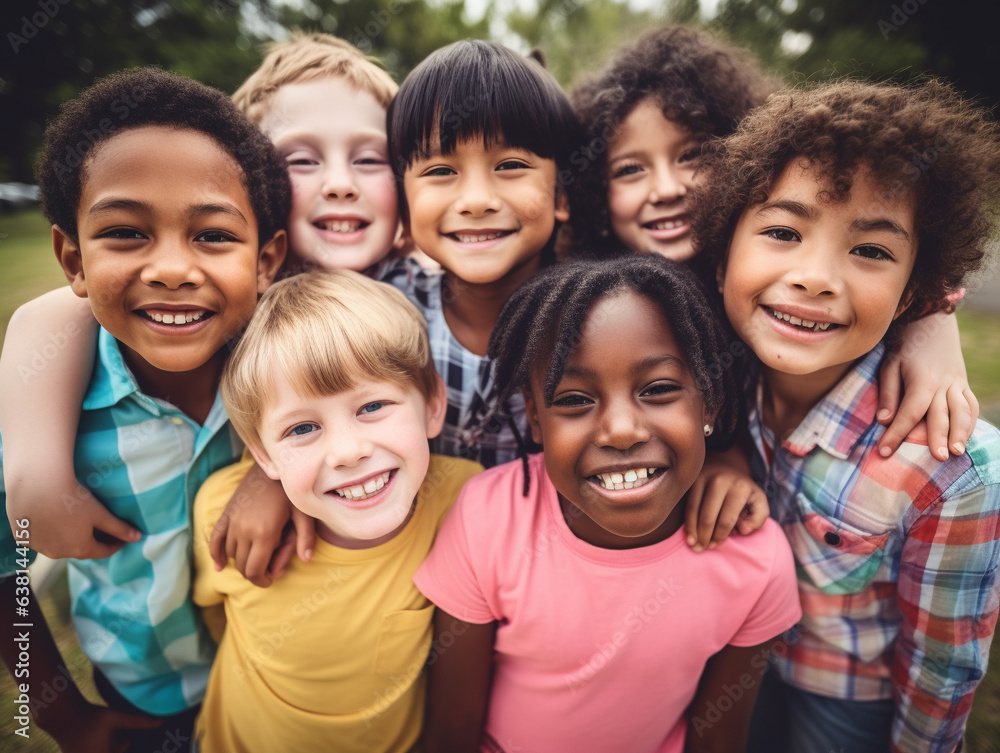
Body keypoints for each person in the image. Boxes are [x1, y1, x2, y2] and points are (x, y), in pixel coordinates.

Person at [0, 33, 403, 582]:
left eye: (371, 158)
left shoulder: (415, 284)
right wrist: (35, 472)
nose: (339, 183)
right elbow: (52, 313)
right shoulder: (229, 304)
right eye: (302, 159)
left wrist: (270, 477)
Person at [691, 78, 1000, 753]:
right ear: (721, 259)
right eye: (782, 231)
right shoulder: (708, 381)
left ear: (913, 294)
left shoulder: (954, 470)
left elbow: (942, 668)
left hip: (847, 701)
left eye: (871, 251)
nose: (816, 276)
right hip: (734, 662)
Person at [0, 67, 288, 751]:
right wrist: (60, 713)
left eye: (213, 236)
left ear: (266, 261)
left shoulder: (292, 373)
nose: (171, 269)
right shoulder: (44, 413)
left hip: (280, 683)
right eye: (126, 233)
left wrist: (275, 472)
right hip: (143, 697)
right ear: (72, 259)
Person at [413, 254, 803, 753]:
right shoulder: (486, 520)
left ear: (709, 401)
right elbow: (453, 730)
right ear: (535, 418)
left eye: (658, 389)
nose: (621, 431)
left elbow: (717, 741)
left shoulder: (757, 560)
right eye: (574, 399)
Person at [567, 24, 980, 467]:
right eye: (630, 169)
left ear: (739, 160)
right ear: (594, 190)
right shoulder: (596, 303)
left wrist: (933, 327)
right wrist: (724, 458)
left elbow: (910, 272)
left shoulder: (762, 277)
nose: (667, 188)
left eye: (691, 155)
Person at [190, 270, 481, 752]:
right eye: (302, 429)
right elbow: (218, 621)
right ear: (262, 456)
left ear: (433, 403)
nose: (347, 452)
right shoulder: (222, 512)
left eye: (372, 407)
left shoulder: (463, 500)